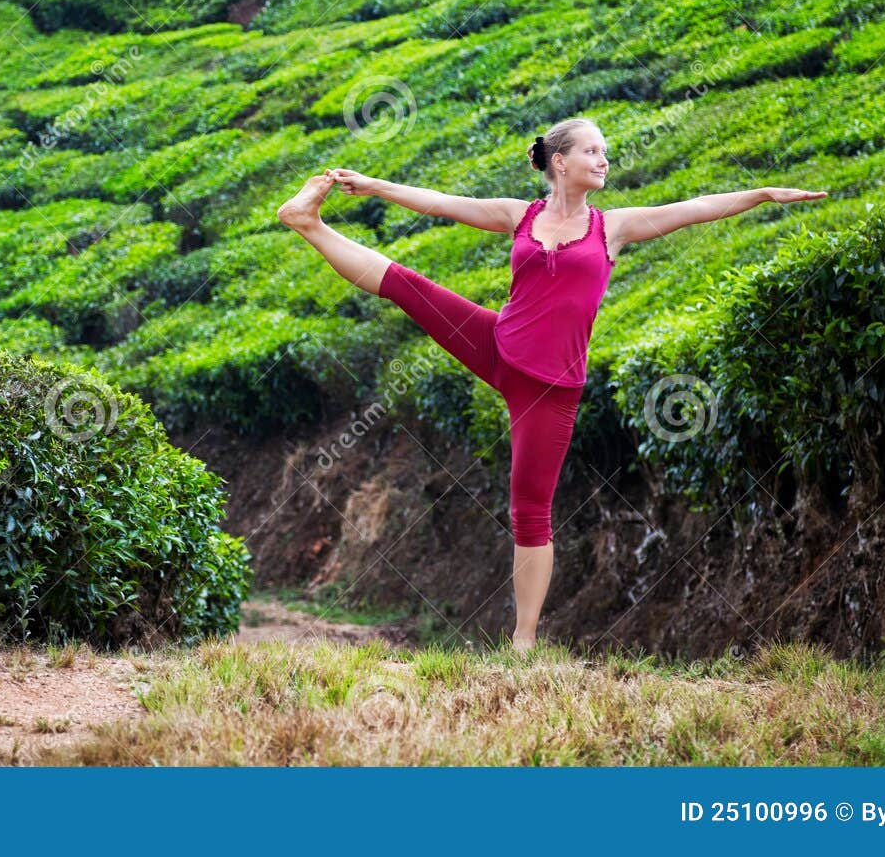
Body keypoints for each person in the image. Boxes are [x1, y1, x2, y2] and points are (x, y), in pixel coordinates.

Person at [275, 116, 826, 651]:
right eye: (592, 151)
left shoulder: (615, 227)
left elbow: (696, 209)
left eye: (604, 152)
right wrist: (373, 186)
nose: (604, 159)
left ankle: (524, 640)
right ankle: (308, 223)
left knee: (530, 509)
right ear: (559, 162)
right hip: (497, 344)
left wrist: (761, 193)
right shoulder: (519, 215)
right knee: (406, 285)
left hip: (550, 387)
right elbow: (440, 203)